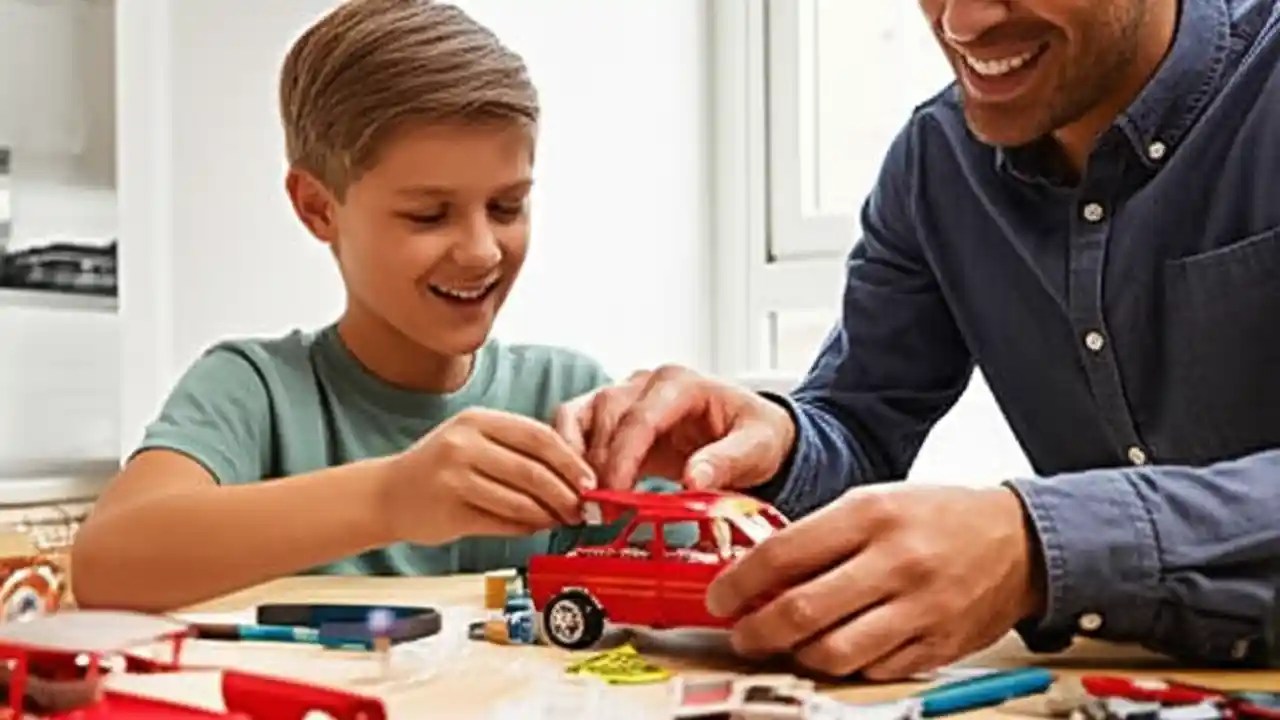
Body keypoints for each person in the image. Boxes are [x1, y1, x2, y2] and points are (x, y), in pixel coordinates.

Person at [557, 0, 1280, 680]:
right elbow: (859, 430)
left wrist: (1037, 546)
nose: (960, 21)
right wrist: (777, 444)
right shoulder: (936, 162)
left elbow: (1043, 546)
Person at [70, 0, 641, 612]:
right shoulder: (254, 391)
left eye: (506, 207)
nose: (480, 252)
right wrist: (389, 499)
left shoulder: (569, 398)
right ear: (318, 207)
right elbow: (107, 564)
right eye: (429, 215)